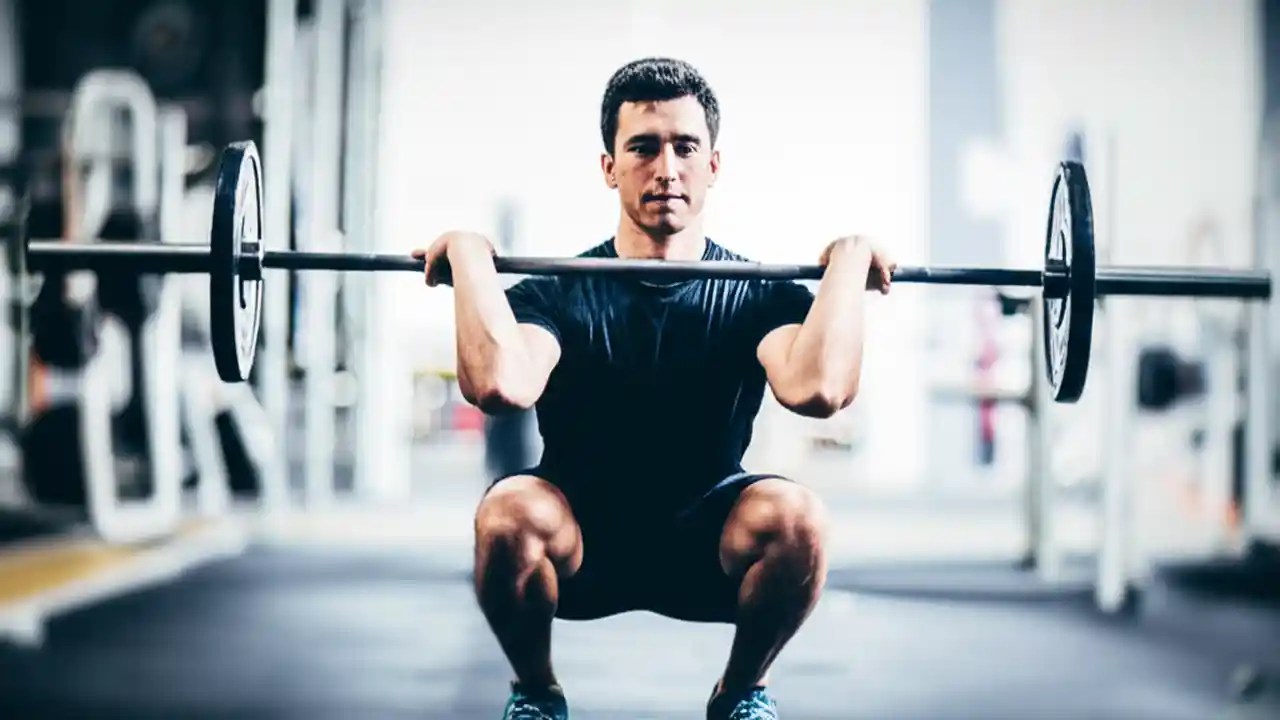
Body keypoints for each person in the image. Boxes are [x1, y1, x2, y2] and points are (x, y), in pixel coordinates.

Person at [413, 57, 895, 720]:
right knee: (507, 513)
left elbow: (820, 391)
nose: (666, 168)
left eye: (685, 147)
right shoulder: (559, 292)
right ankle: (537, 695)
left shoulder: (757, 296)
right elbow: (500, 384)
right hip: (579, 541)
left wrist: (849, 259)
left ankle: (741, 692)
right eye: (643, 147)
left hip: (709, 543)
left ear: (713, 165)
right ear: (609, 166)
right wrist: (470, 256)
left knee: (799, 519)